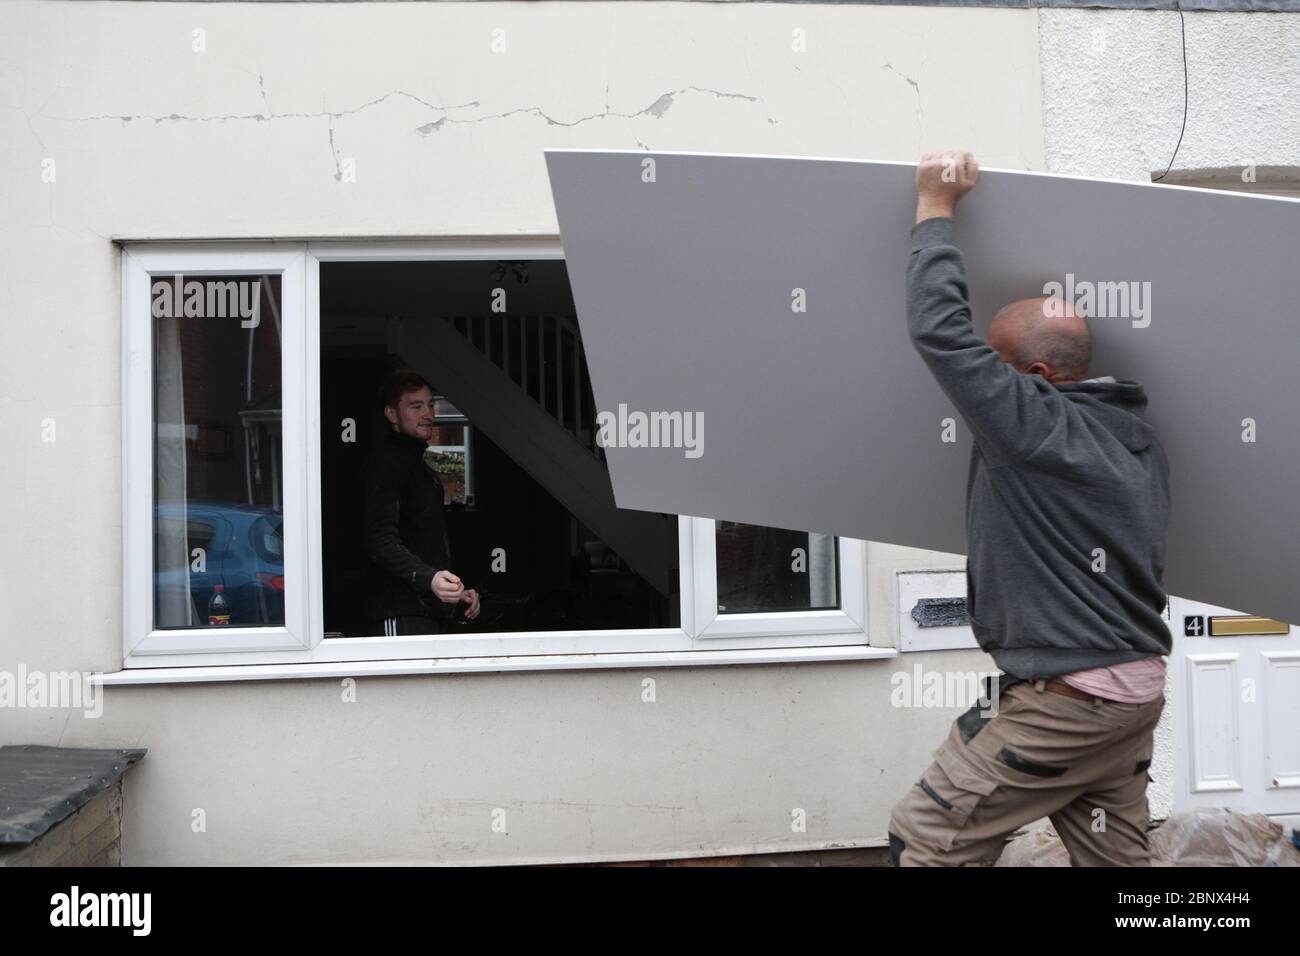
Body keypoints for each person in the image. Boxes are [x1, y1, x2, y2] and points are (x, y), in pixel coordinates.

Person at [887, 152, 1171, 866]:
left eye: (996, 367)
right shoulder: (1135, 438)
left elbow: (939, 332)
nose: (980, 391)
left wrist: (934, 206)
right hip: (1127, 696)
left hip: (1068, 702)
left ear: (1038, 379)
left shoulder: (1036, 423)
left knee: (925, 838)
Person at [361, 369, 480, 636]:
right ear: (391, 415)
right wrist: (430, 579)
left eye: (430, 405)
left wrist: (453, 592)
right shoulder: (386, 464)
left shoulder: (422, 470)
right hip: (398, 612)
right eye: (416, 406)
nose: (428, 414)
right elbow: (379, 540)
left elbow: (425, 543)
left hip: (426, 613)